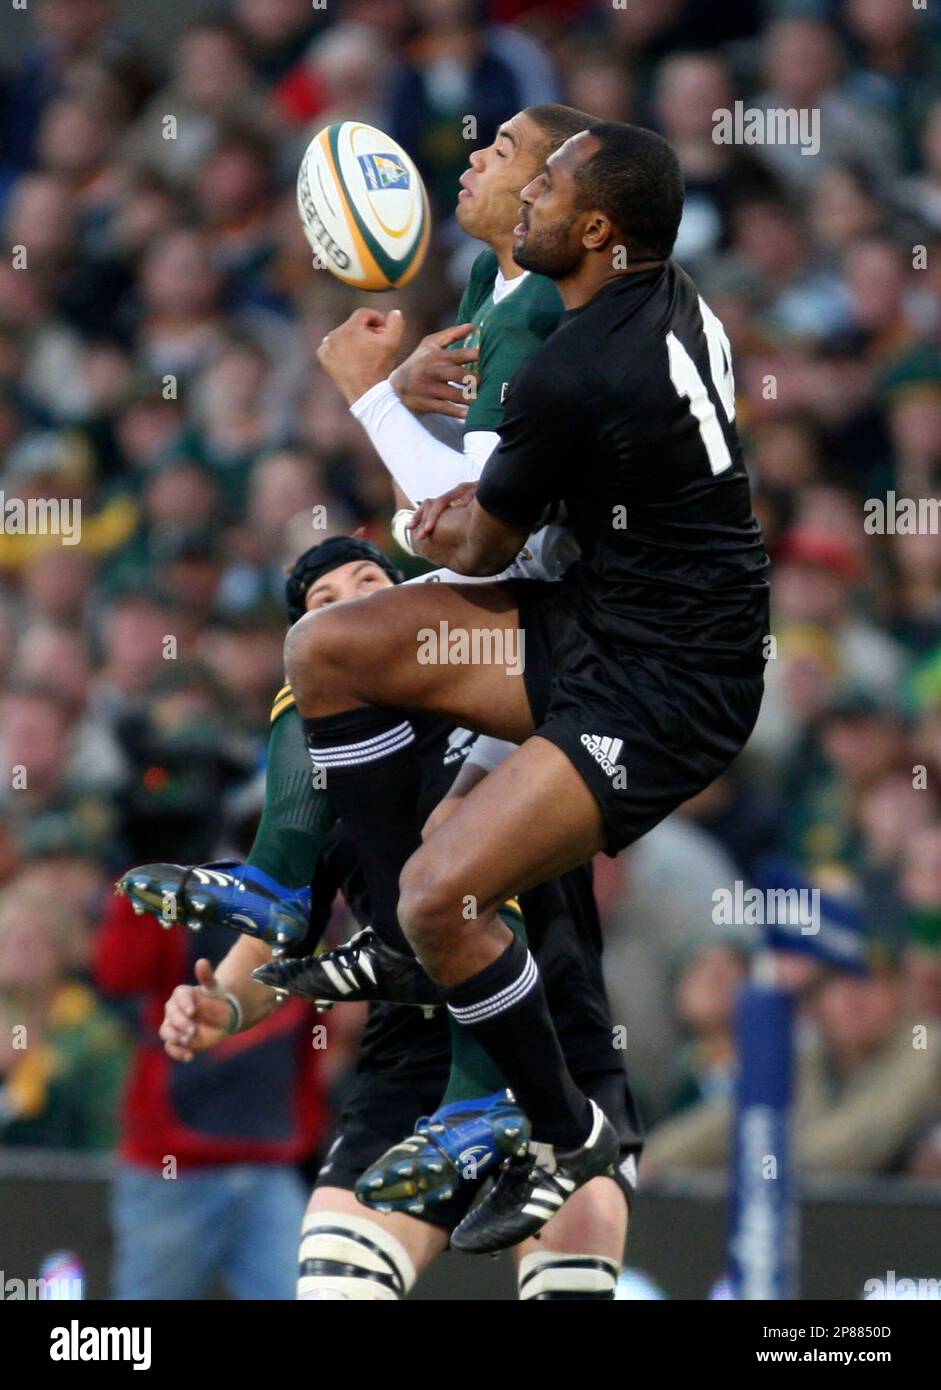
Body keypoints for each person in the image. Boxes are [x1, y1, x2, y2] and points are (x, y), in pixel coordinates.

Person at [260, 121, 769, 1252]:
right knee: (330, 647)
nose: (518, 196)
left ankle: (564, 1127)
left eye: (540, 184)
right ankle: (399, 940)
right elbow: (488, 535)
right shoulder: (649, 298)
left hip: (666, 685)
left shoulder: (573, 368)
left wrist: (386, 432)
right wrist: (441, 507)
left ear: (595, 231)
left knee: (447, 892)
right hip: (595, 618)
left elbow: (474, 548)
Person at [144, 535, 642, 1300]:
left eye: (370, 581)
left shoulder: (507, 705)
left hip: (549, 1053)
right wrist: (225, 1005)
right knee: (335, 1289)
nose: (355, 608)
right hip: (408, 1063)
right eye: (326, 605)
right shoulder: (316, 763)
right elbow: (286, 931)